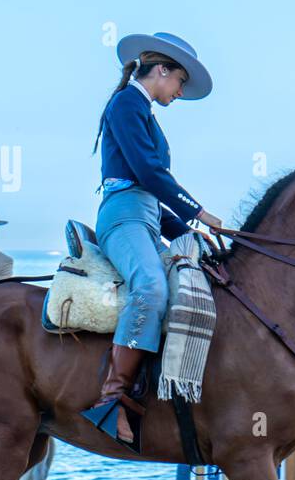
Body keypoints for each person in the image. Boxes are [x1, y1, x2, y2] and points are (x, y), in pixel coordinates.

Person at [80, 32, 223, 450]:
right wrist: (198, 212)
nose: (180, 93)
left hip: (146, 218)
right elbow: (147, 173)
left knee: (192, 283)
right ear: (161, 70)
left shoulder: (145, 113)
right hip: (122, 217)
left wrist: (192, 235)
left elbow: (153, 197)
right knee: (151, 285)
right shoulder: (126, 103)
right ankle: (112, 400)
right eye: (180, 82)